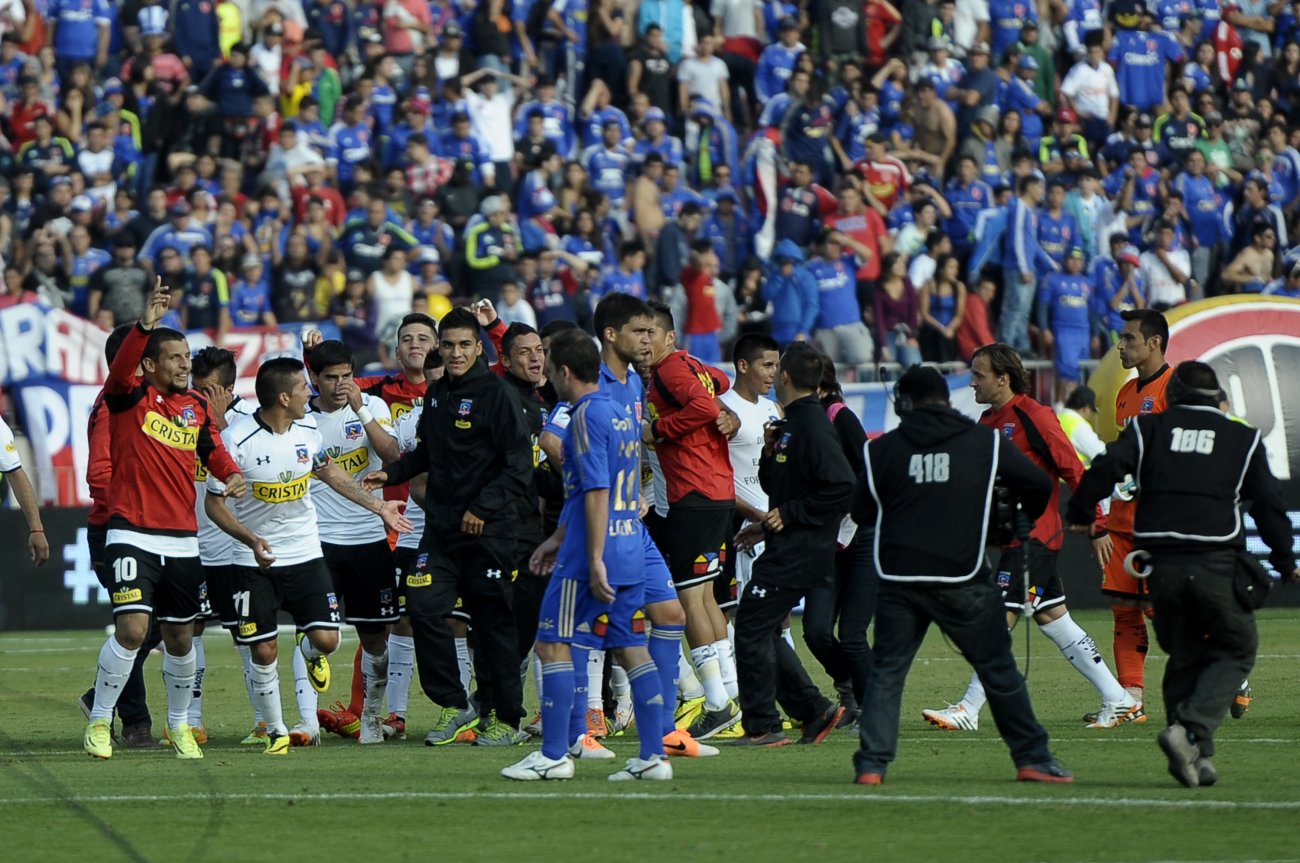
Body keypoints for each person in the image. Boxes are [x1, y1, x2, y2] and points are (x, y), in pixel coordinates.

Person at [1066, 361, 1299, 788]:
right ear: (1217, 399)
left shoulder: (1148, 430)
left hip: (1161, 568)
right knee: (1236, 648)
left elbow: (1104, 466)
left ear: (1172, 396)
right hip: (1215, 564)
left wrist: (1081, 512)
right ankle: (1190, 730)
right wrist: (1285, 561)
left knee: (1185, 656)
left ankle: (1195, 755)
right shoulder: (1240, 437)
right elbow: (1269, 505)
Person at [849, 365, 1073, 785]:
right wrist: (1011, 515)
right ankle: (1032, 759)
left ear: (904, 403)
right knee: (997, 669)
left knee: (887, 673)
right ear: (946, 400)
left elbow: (861, 511)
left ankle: (872, 766)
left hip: (899, 577)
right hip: (962, 575)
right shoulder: (983, 441)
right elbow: (1038, 484)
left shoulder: (882, 451)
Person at [921, 343, 1139, 731]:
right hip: (1011, 538)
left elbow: (1073, 469)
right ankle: (1117, 697)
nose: (972, 382)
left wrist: (1097, 524)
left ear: (1002, 378)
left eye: (979, 375)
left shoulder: (1034, 415)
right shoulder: (986, 423)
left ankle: (969, 708)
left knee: (996, 617)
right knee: (1054, 617)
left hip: (1034, 535)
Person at [204, 356, 410, 755]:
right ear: (283, 397)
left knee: (327, 640)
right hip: (253, 559)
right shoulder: (236, 440)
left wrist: (378, 506)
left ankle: (309, 653)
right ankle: (278, 729)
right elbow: (214, 504)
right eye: (302, 388)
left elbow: (330, 472)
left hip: (305, 552)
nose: (308, 394)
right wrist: (250, 539)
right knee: (262, 650)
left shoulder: (307, 429)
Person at [83, 283, 246, 761]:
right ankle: (98, 722)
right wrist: (145, 326)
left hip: (182, 540)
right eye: (173, 357)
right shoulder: (126, 399)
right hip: (131, 531)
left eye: (186, 356)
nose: (184, 364)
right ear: (149, 365)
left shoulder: (195, 407)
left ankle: (179, 727)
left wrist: (231, 474)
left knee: (179, 637)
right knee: (133, 630)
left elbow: (212, 449)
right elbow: (116, 373)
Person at [503, 330, 672, 782]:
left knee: (552, 643)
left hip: (591, 555)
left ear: (563, 371)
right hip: (629, 544)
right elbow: (608, 488)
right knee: (632, 647)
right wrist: (556, 537)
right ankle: (653, 756)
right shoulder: (620, 413)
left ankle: (555, 755)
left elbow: (596, 490)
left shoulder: (580, 417)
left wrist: (591, 556)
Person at [368, 308, 534, 746]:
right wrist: (393, 473)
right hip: (441, 530)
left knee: (491, 624)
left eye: (465, 345)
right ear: (439, 348)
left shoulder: (497, 395)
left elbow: (519, 467)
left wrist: (484, 506)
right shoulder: (437, 393)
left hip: (490, 532)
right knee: (421, 606)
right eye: (449, 345)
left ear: (479, 348)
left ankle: (506, 719)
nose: (456, 353)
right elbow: (428, 453)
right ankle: (455, 704)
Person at [730, 342, 853, 747]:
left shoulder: (814, 426)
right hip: (789, 542)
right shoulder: (792, 424)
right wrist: (768, 457)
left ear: (784, 375)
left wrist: (793, 514)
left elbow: (841, 487)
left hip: (800, 549)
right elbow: (778, 488)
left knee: (750, 626)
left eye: (775, 367)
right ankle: (813, 711)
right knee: (759, 626)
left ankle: (764, 724)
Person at [644, 300, 743, 741]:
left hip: (694, 493)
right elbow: (719, 383)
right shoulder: (693, 365)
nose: (644, 342)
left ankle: (717, 704)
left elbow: (703, 406)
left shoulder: (668, 371)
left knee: (689, 602)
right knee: (705, 599)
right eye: (638, 333)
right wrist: (726, 410)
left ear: (669, 337)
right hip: (717, 491)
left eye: (652, 334)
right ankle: (731, 695)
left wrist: (659, 430)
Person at [305, 340, 403, 746]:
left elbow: (394, 456)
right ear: (314, 379)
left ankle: (372, 718)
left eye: (346, 376)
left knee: (377, 639)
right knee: (318, 632)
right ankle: (305, 722)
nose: (341, 384)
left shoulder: (373, 408)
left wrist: (361, 409)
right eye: (331, 378)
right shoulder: (301, 420)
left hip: (367, 537)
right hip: (319, 540)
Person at [1101, 308, 1173, 716]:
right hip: (1123, 519)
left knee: (1163, 612)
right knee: (1124, 611)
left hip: (1161, 524)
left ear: (1153, 343)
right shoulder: (1124, 395)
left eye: (1128, 338)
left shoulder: (1173, 388)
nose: (1121, 345)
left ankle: (1227, 668)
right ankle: (1132, 700)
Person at [187, 346, 256, 744]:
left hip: (232, 548)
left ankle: (264, 720)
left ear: (229, 390)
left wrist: (217, 424)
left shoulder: (249, 423)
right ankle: (191, 722)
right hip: (189, 544)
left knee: (245, 634)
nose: (199, 395)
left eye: (209, 389)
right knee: (186, 633)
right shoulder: (180, 418)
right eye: (196, 387)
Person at [1057, 385, 1106, 467]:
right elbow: (1100, 453)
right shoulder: (1078, 425)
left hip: (1059, 477)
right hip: (1079, 477)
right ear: (1086, 408)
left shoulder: (1059, 418)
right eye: (1091, 411)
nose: (1090, 415)